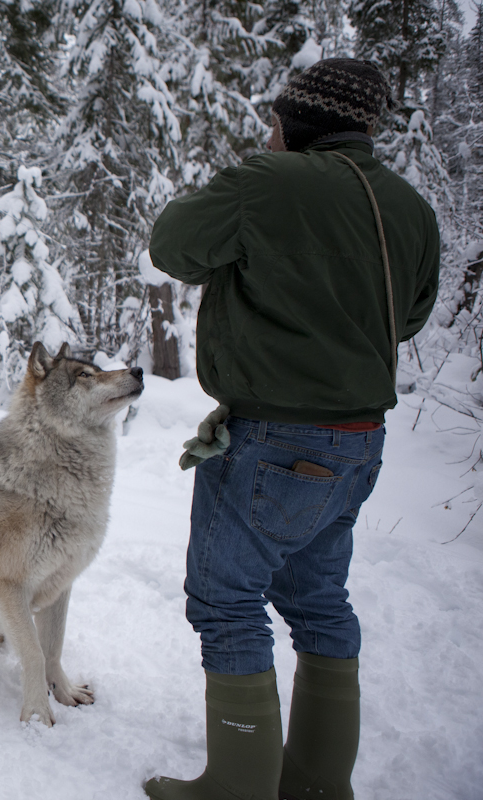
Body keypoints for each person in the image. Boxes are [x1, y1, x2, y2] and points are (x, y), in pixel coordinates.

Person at [144, 59, 440, 800]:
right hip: (359, 441)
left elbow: (174, 245)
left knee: (227, 601)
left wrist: (264, 177)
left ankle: (240, 787)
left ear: (299, 119)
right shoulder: (410, 207)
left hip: (274, 438)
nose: (267, 130)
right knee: (319, 600)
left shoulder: (268, 181)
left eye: (277, 118)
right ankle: (316, 781)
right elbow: (406, 318)